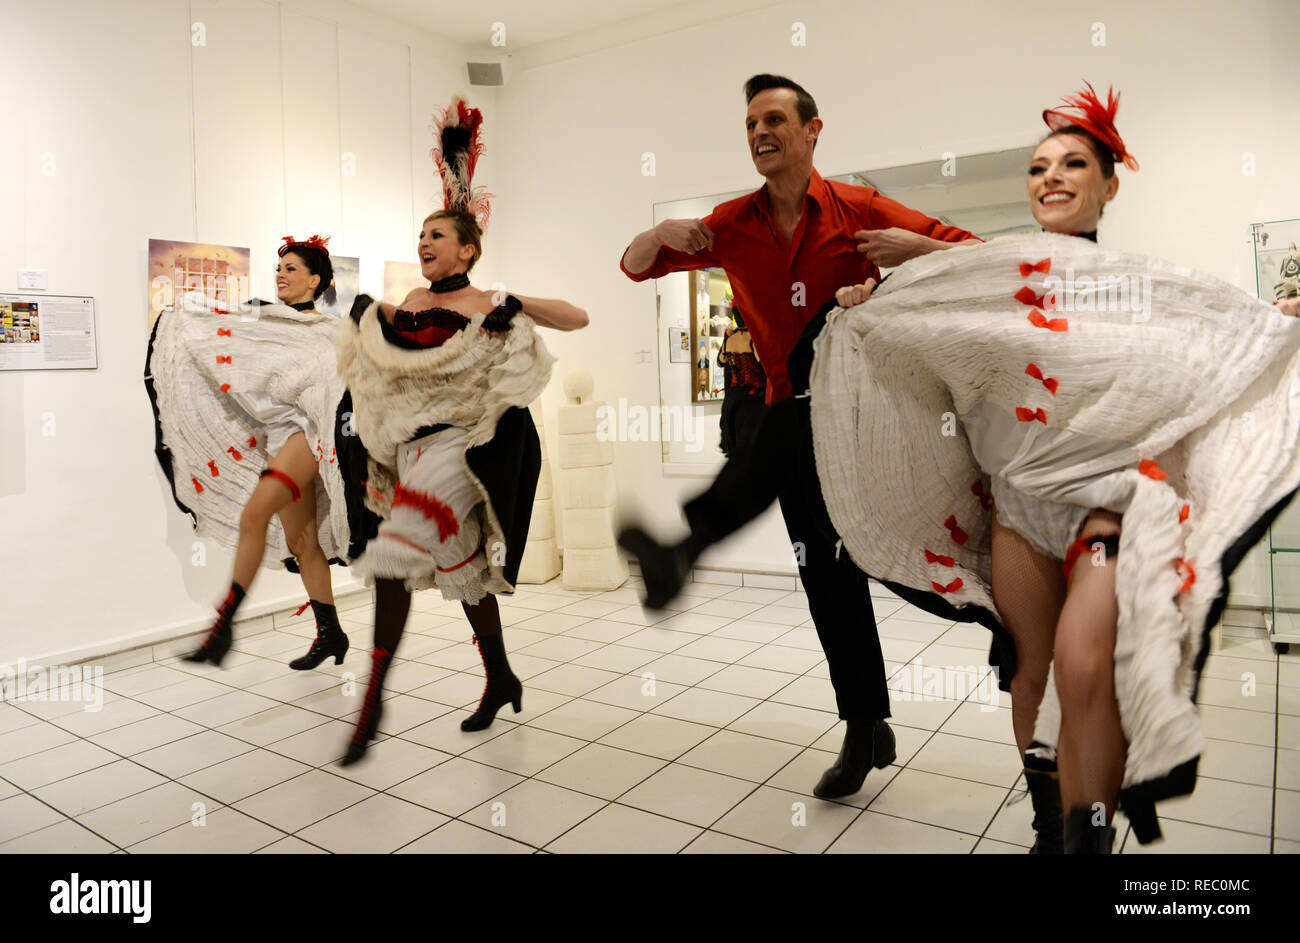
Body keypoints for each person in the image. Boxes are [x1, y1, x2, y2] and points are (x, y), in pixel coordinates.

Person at [809, 84, 1300, 852]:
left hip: (1105, 509)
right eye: (1039, 166)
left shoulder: (1139, 287)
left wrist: (1271, 326)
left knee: (1082, 662)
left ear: (1110, 183)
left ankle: (1089, 837)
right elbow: (935, 321)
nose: (1052, 176)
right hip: (1018, 511)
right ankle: (1051, 829)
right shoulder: (993, 282)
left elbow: (1207, 329)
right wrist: (871, 304)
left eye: (1074, 162)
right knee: (1030, 673)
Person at [618, 73, 979, 799]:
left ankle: (686, 550)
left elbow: (974, 253)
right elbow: (633, 267)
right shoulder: (733, 223)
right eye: (751, 121)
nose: (760, 132)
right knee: (828, 578)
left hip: (859, 418)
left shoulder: (859, 210)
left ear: (813, 131)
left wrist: (909, 249)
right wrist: (658, 234)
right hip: (790, 415)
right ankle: (865, 725)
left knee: (873, 560)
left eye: (776, 118)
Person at [336, 97, 588, 766]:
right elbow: (386, 374)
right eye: (419, 237)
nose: (423, 245)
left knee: (392, 558)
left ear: (468, 249)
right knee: (468, 570)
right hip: (415, 450)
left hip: (463, 447)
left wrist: (515, 303)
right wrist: (371, 321)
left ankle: (373, 698)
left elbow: (578, 316)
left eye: (435, 237)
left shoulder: (483, 301)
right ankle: (501, 675)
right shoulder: (412, 302)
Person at [146, 235, 353, 670]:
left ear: (316, 280)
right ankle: (331, 633)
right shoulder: (266, 322)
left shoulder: (329, 332)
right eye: (279, 268)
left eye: (292, 269)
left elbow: (333, 391)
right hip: (279, 438)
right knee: (302, 543)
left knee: (252, 516)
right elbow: (231, 353)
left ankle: (223, 629)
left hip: (309, 434)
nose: (281, 275)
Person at [716, 307, 766, 458]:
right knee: (752, 448)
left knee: (736, 449)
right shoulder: (753, 339)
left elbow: (720, 361)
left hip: (732, 400)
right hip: (751, 398)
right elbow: (762, 362)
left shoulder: (730, 340)